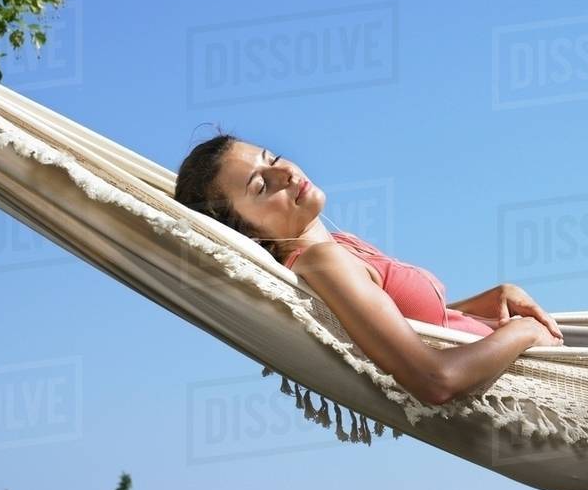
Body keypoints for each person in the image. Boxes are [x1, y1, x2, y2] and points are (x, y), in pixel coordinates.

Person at [173, 133, 564, 407]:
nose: (286, 174)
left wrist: (485, 301)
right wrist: (525, 332)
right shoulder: (323, 263)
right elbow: (435, 380)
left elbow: (403, 323)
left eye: (272, 159)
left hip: (525, 368)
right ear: (247, 233)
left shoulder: (336, 247)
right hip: (532, 387)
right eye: (261, 186)